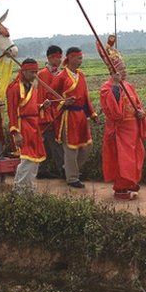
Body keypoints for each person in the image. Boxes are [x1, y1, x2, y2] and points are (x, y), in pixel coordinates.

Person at [99, 60, 146, 200]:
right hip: (120, 130)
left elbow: (138, 105)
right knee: (122, 160)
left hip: (133, 130)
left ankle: (131, 183)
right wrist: (115, 85)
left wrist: (140, 113)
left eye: (124, 69)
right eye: (121, 70)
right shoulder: (106, 88)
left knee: (136, 157)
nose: (124, 72)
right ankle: (121, 189)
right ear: (113, 73)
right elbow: (114, 113)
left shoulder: (129, 86)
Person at [50, 47, 97, 188]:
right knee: (71, 148)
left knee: (87, 147)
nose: (80, 61)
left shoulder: (81, 75)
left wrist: (92, 113)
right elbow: (51, 97)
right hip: (67, 116)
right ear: (70, 57)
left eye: (81, 58)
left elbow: (86, 97)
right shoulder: (61, 77)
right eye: (78, 58)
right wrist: (63, 103)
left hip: (81, 116)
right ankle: (72, 178)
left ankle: (68, 169)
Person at [7, 59, 51, 193]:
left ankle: (30, 189)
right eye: (32, 72)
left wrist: (42, 106)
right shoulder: (14, 88)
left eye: (36, 72)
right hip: (23, 126)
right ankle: (19, 190)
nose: (35, 75)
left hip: (33, 126)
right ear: (24, 71)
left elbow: (31, 108)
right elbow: (12, 112)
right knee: (27, 160)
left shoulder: (32, 87)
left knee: (34, 161)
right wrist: (16, 132)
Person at [37, 45, 64, 179]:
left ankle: (41, 169)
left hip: (58, 113)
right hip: (48, 115)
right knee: (56, 144)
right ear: (49, 58)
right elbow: (41, 97)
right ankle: (63, 170)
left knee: (47, 145)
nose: (59, 60)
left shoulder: (59, 73)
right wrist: (45, 113)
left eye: (60, 57)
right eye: (56, 58)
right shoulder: (43, 74)